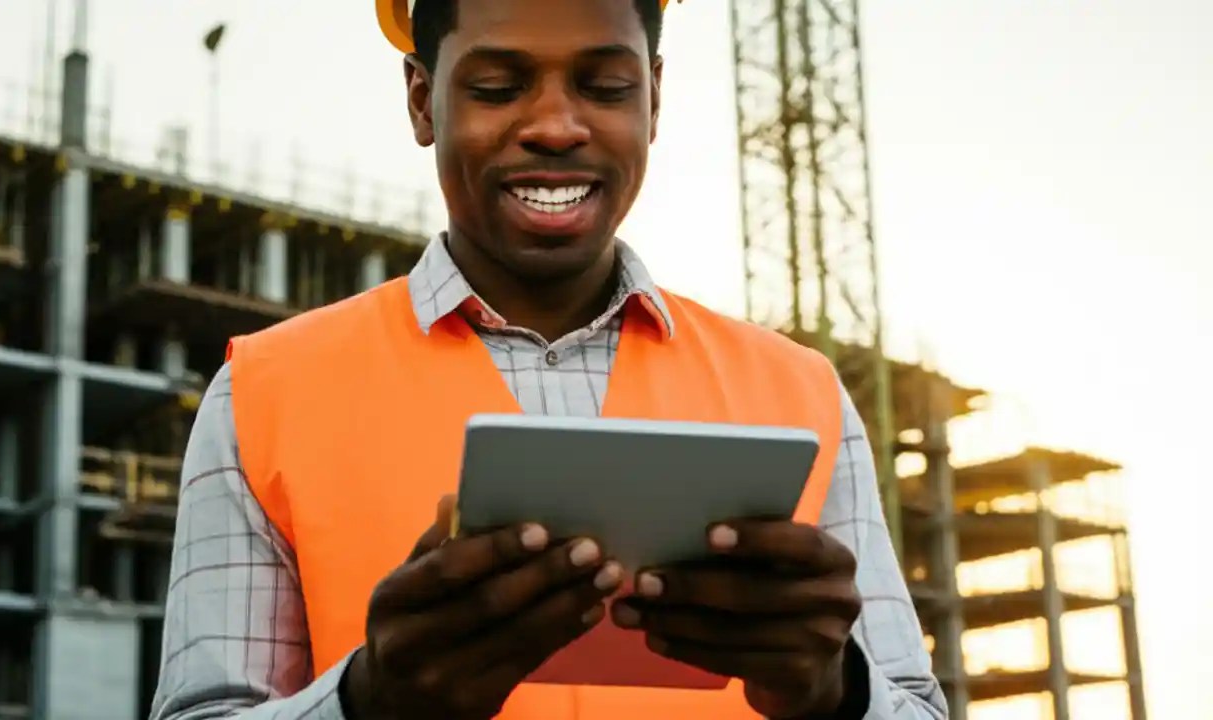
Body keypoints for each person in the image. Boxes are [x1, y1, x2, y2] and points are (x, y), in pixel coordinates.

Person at [149, 0, 947, 718]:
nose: (557, 126)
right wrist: (369, 703)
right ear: (423, 100)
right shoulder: (265, 393)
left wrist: (836, 693)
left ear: (655, 100)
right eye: (498, 87)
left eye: (605, 88)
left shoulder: (797, 390)